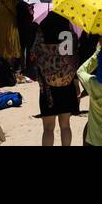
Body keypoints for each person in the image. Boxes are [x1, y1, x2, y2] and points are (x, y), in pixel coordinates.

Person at [34, 11, 79, 146]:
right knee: (65, 125)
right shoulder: (69, 27)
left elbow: (35, 52)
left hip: (48, 85)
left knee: (48, 128)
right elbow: (75, 56)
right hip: (67, 81)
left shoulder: (43, 26)